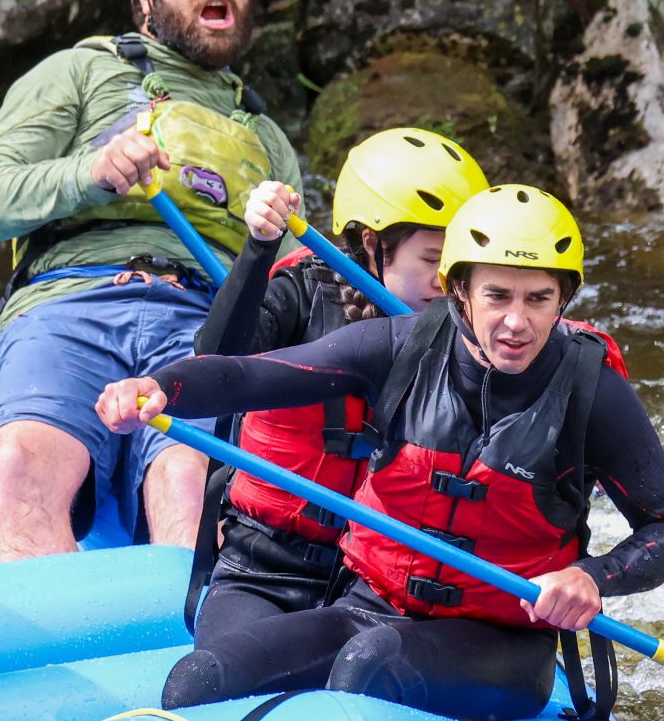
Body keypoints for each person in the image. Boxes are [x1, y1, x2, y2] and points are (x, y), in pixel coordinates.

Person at [97, 185, 664, 721]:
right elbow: (248, 377)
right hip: (372, 608)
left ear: (562, 299)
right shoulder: (400, 347)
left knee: (367, 668)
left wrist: (589, 576)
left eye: (538, 299)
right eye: (497, 295)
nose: (517, 321)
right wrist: (160, 387)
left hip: (503, 643)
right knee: (198, 680)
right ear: (457, 290)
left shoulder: (593, 391)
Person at [0, 0, 307, 559]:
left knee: (186, 481)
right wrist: (89, 171)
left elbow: (295, 288)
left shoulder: (265, 135)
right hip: (67, 304)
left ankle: (189, 653)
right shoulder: (81, 72)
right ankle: (50, 655)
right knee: (23, 465)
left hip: (203, 322)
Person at [186, 128, 490, 637]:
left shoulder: (482, 330)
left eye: (461, 264)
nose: (449, 284)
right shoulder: (303, 291)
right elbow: (215, 361)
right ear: (371, 243)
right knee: (223, 671)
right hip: (268, 569)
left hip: (386, 585)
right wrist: (259, 248)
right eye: (434, 260)